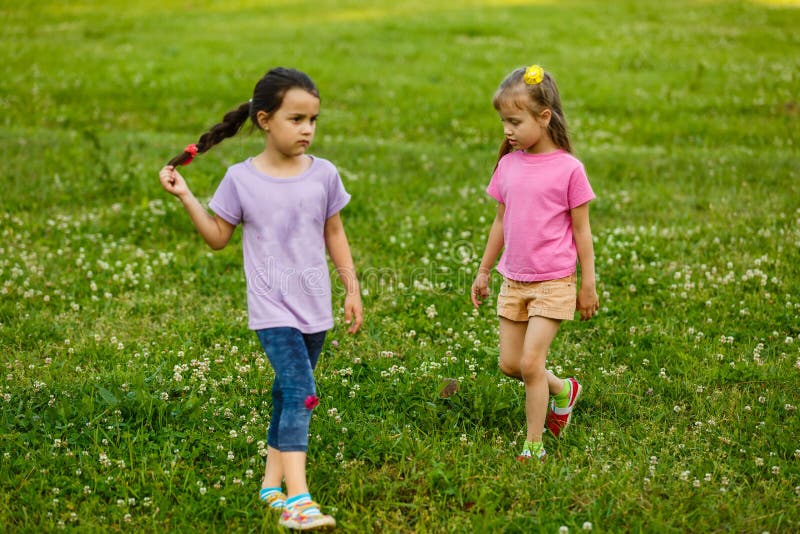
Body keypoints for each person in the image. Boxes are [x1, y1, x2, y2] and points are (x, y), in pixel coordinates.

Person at [159, 67, 362, 530]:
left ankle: (271, 484)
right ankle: (299, 500)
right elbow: (217, 237)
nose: (307, 129)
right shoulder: (240, 179)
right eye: (296, 119)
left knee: (285, 393)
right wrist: (187, 195)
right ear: (265, 120)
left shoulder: (324, 174)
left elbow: (335, 231)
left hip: (315, 307)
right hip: (272, 310)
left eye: (313, 119)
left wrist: (351, 287)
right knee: (301, 393)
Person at [471, 64, 598, 462]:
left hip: (554, 282)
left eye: (514, 121)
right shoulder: (508, 165)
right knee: (510, 364)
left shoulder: (569, 170)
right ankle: (563, 390)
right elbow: (499, 222)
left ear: (544, 117)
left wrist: (587, 283)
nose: (507, 130)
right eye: (503, 121)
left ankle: (533, 444)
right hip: (515, 280)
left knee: (530, 363)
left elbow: (583, 233)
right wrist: (484, 269)